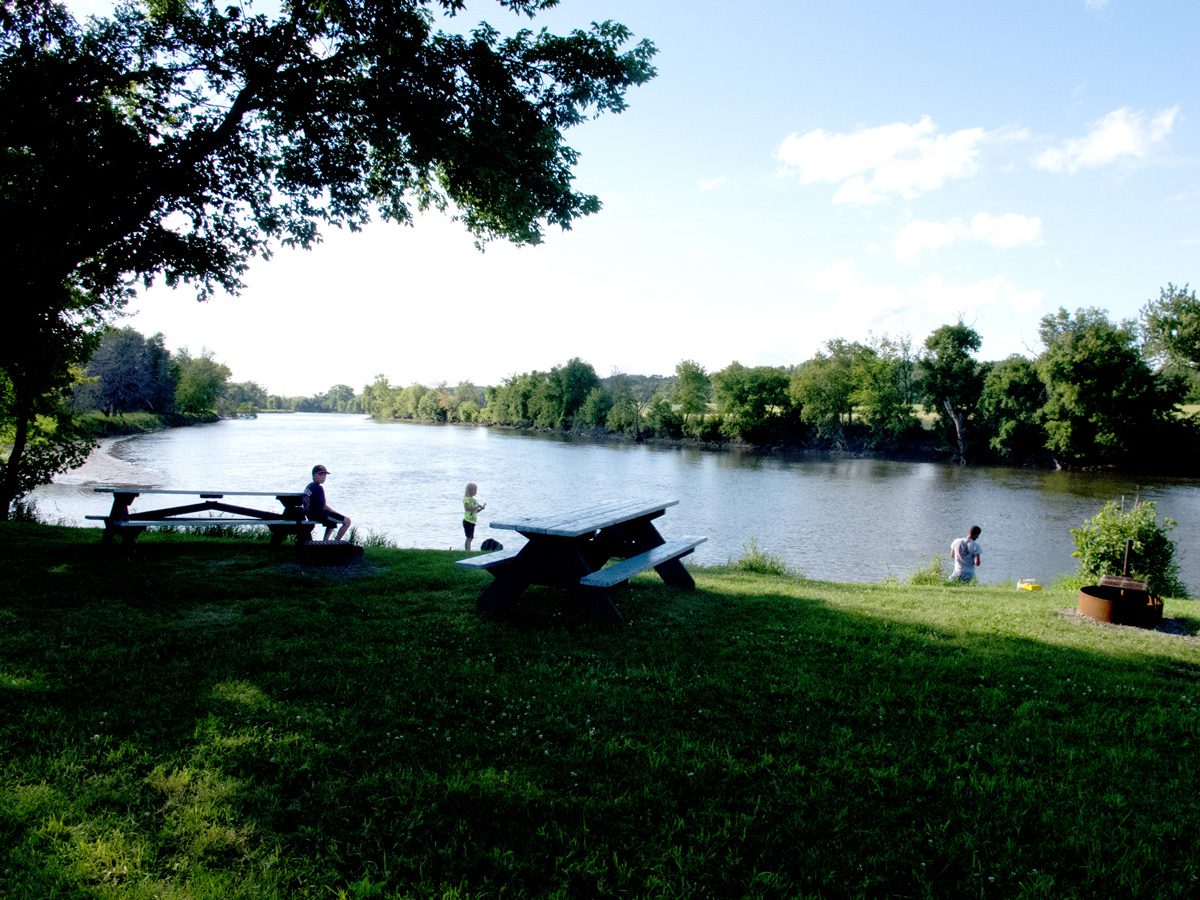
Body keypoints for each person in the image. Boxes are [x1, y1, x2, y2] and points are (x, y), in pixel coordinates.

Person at [303, 464, 351, 541]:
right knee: (347, 521)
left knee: (332, 522)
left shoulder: (309, 486)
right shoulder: (318, 488)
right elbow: (323, 506)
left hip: (310, 514)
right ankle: (336, 542)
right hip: (318, 514)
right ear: (313, 475)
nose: (323, 477)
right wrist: (336, 513)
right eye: (320, 474)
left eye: (324, 475)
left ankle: (325, 541)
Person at [463, 482, 486, 551]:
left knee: (471, 537)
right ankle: (467, 551)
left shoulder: (474, 500)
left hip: (472, 521)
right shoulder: (466, 498)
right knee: (468, 537)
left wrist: (480, 509)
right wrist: (476, 507)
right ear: (470, 490)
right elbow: (467, 508)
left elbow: (475, 511)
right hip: (468, 521)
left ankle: (468, 550)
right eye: (475, 490)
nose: (476, 491)